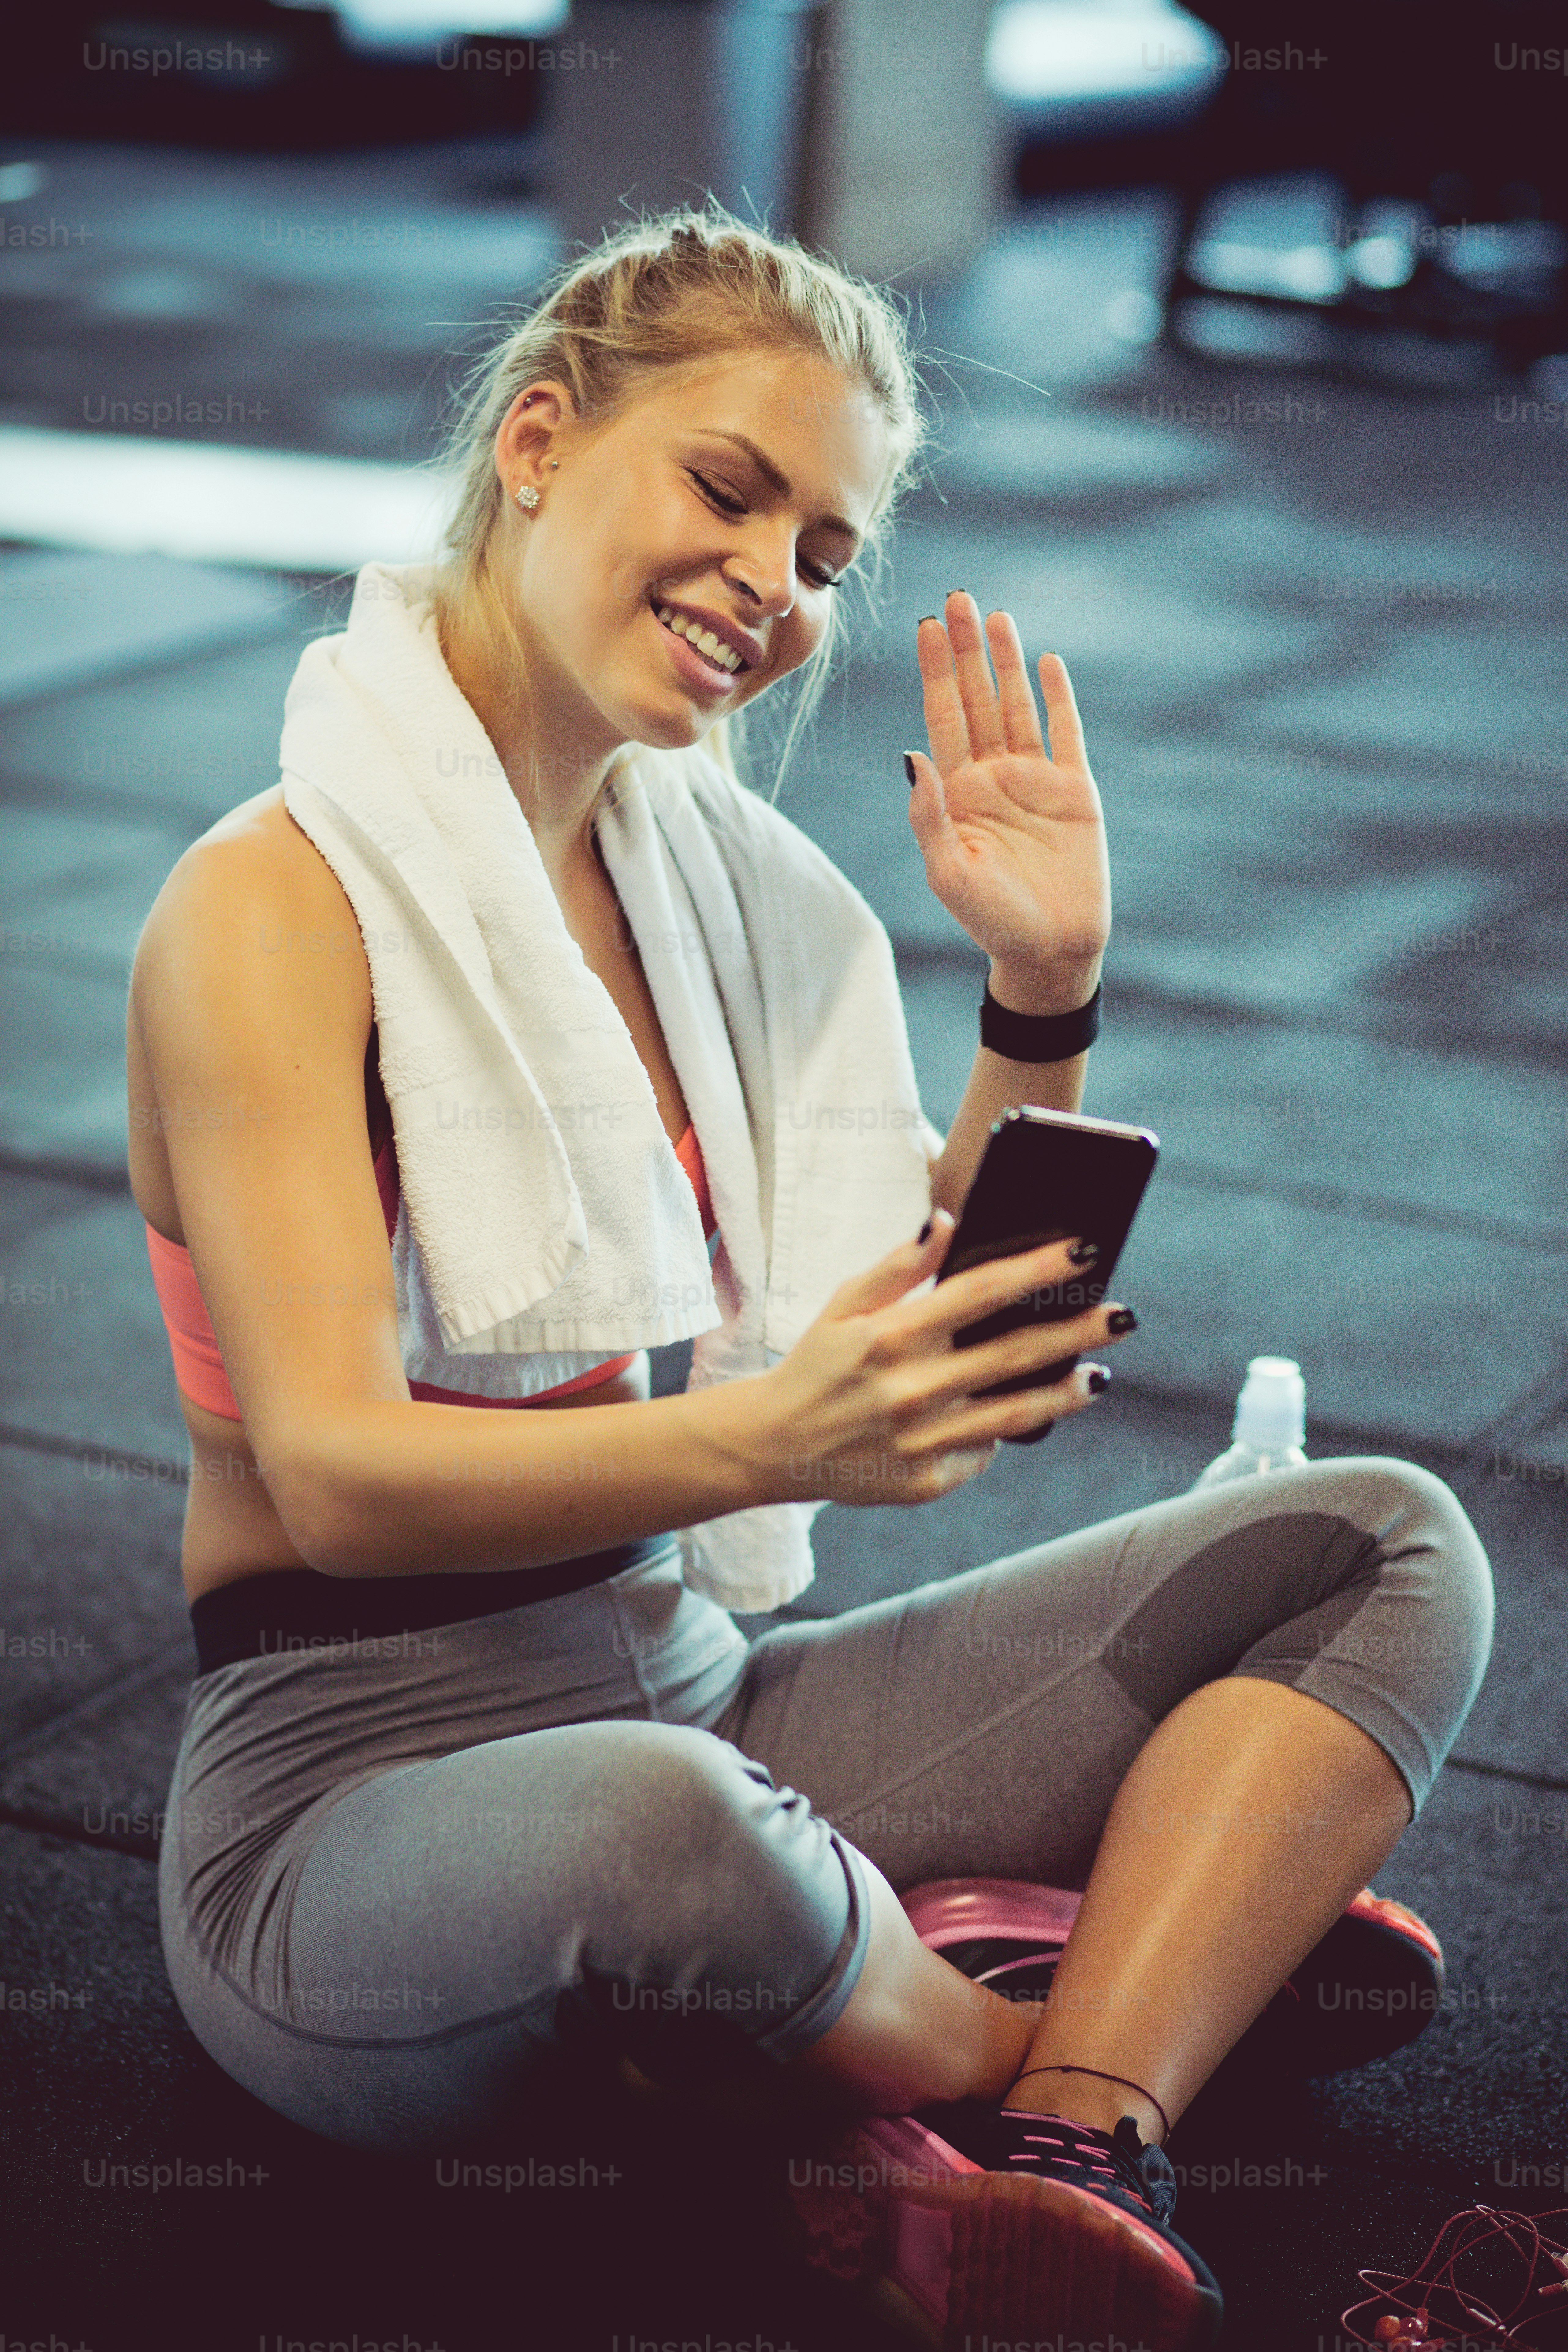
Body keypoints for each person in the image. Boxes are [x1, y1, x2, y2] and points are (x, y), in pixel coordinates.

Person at [130, 205, 1493, 2350]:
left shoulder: (708, 890)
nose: (772, 581)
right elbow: (333, 1479)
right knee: (673, 1837)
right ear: (544, 439)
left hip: (700, 1687)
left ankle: (1071, 2124)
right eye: (729, 487)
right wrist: (777, 1433)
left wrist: (1042, 987)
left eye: (826, 550)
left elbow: (878, 1302)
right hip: (356, 1807)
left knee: (1386, 1543)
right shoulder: (272, 908)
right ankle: (1080, 1990)